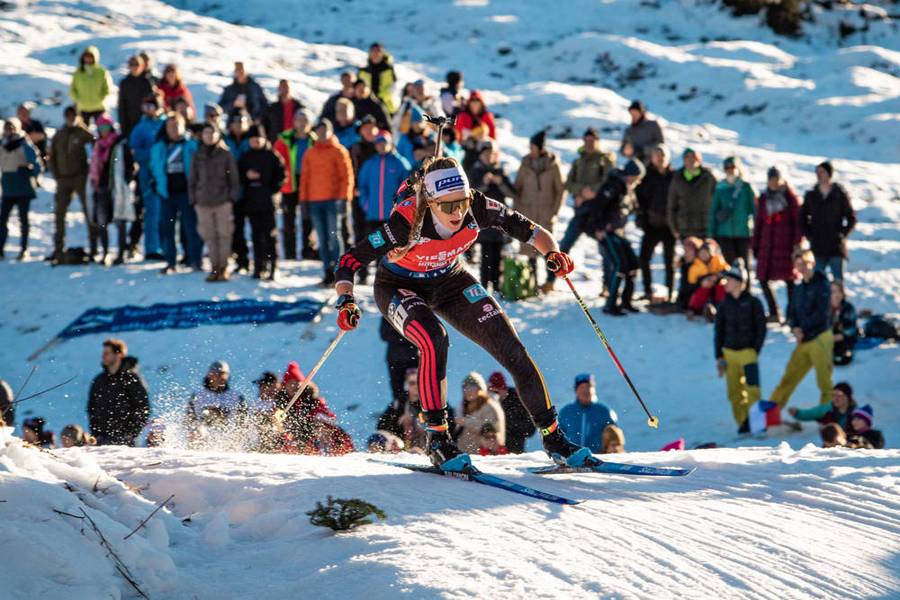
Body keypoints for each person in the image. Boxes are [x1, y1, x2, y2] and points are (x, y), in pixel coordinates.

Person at [333, 155, 596, 471]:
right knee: (434, 339)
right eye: (447, 206)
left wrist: (553, 253)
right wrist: (346, 300)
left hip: (450, 282)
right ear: (430, 202)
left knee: (512, 349)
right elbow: (348, 262)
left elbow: (532, 230)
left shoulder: (479, 206)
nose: (457, 212)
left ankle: (553, 438)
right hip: (398, 286)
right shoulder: (405, 221)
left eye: (462, 202)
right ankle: (439, 440)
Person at [770, 250, 834, 408]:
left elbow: (822, 313)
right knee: (789, 377)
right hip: (804, 339)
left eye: (805, 263)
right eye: (798, 265)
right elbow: (791, 313)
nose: (802, 268)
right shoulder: (798, 289)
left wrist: (801, 329)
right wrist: (795, 328)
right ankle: (771, 413)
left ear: (812, 263)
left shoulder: (823, 285)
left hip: (820, 337)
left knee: (824, 382)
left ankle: (827, 416)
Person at [300, 118, 353, 286]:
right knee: (322, 239)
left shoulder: (338, 151)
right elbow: (305, 178)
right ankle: (327, 271)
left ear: (330, 131)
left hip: (333, 200)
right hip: (315, 200)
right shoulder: (310, 152)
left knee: (334, 236)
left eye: (325, 130)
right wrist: (303, 201)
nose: (322, 133)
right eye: (319, 130)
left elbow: (347, 176)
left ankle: (340, 271)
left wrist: (345, 198)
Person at [714, 263, 767, 433]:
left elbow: (761, 328)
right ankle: (744, 423)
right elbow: (718, 331)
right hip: (729, 354)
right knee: (734, 393)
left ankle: (758, 426)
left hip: (748, 353)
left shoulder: (753, 302)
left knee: (753, 391)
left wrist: (754, 350)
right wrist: (719, 356)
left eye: (728, 280)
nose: (725, 283)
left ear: (738, 281)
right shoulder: (723, 304)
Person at [589, 160, 645, 316]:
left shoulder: (629, 189)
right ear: (629, 175)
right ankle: (610, 304)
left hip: (619, 232)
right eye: (635, 177)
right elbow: (597, 206)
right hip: (607, 233)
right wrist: (599, 228)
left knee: (633, 265)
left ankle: (626, 301)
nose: (636, 181)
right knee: (619, 266)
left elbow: (633, 208)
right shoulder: (613, 185)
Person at [150, 113, 202, 273]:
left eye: (176, 125)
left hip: (187, 193)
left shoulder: (192, 145)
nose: (173, 129)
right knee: (167, 229)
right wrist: (156, 185)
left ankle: (195, 261)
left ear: (183, 126)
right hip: (167, 194)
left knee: (191, 229)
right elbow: (154, 168)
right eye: (170, 126)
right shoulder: (159, 147)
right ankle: (171, 262)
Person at [514, 130, 565, 290]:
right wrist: (517, 211)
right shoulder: (525, 164)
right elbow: (518, 188)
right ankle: (532, 282)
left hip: (546, 213)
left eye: (534, 146)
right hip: (527, 211)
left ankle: (550, 281)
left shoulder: (553, 165)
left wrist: (554, 212)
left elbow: (560, 190)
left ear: (541, 147)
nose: (531, 149)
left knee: (548, 249)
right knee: (529, 247)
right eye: (531, 146)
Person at [357, 131, 411, 281]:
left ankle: (385, 276)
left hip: (391, 215)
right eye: (378, 143)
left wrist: (400, 206)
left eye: (384, 142)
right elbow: (362, 187)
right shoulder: (369, 164)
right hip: (372, 213)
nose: (381, 146)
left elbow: (406, 188)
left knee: (388, 247)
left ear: (390, 143)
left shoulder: (399, 163)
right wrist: (366, 204)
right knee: (370, 244)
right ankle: (363, 275)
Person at [190, 122, 240, 281]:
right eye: (206, 133)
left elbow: (233, 178)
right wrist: (194, 199)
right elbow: (192, 178)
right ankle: (214, 267)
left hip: (222, 200)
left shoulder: (226, 154)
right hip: (203, 201)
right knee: (209, 235)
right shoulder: (197, 155)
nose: (209, 136)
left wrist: (232, 197)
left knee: (224, 235)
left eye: (212, 133)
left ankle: (223, 267)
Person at [753, 167, 801, 322]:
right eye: (771, 179)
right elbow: (758, 223)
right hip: (767, 245)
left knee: (790, 281)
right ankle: (774, 312)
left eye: (776, 179)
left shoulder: (790, 197)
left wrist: (797, 244)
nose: (773, 182)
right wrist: (755, 245)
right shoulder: (764, 198)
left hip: (786, 245)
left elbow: (797, 222)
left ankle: (792, 315)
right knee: (762, 278)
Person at [49, 106, 96, 261]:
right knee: (59, 213)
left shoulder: (84, 133)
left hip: (80, 178)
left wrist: (87, 175)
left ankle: (94, 247)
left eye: (73, 115)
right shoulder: (59, 134)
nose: (70, 118)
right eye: (68, 115)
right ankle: (58, 248)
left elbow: (95, 151)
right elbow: (52, 156)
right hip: (63, 179)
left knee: (89, 212)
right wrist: (57, 176)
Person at [239, 124, 285, 280]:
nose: (255, 142)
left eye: (258, 139)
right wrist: (247, 176)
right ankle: (259, 266)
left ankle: (273, 265)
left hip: (268, 202)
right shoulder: (246, 156)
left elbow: (281, 176)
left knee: (270, 235)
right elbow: (238, 176)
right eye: (252, 140)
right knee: (255, 235)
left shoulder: (272, 156)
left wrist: (271, 190)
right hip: (252, 201)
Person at [88, 115, 136, 265]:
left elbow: (131, 166)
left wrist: (126, 181)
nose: (104, 131)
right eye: (101, 128)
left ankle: (121, 253)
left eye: (106, 128)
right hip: (101, 187)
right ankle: (105, 252)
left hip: (117, 187)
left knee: (120, 221)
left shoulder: (120, 144)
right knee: (102, 221)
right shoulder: (98, 145)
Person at [469, 140, 516, 291]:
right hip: (483, 219)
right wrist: (483, 183)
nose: (489, 157)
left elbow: (512, 193)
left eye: (492, 154)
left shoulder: (500, 171)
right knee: (485, 256)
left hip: (499, 219)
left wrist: (501, 182)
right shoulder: (475, 171)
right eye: (486, 154)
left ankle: (497, 286)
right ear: (481, 155)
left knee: (497, 254)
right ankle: (484, 285)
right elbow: (471, 194)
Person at [801, 160, 856, 282]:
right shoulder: (811, 195)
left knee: (838, 282)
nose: (819, 175)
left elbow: (851, 218)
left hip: (836, 247)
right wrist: (810, 235)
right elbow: (802, 218)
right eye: (817, 172)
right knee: (818, 282)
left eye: (822, 172)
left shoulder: (840, 194)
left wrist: (842, 234)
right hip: (817, 247)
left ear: (829, 174)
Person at [87, 338, 150, 446]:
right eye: (103, 353)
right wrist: (96, 433)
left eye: (107, 353)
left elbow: (142, 407)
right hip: (101, 439)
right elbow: (91, 408)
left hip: (125, 440)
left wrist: (131, 433)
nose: (103, 356)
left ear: (119, 354)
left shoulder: (132, 379)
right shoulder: (99, 380)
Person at [273, 109, 316, 261]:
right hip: (289, 183)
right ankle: (290, 253)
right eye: (299, 120)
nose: (302, 124)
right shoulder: (284, 139)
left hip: (309, 185)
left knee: (307, 220)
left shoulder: (316, 141)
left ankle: (307, 250)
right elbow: (275, 161)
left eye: (305, 120)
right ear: (294, 122)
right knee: (288, 220)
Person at [635, 144, 675, 301]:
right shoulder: (646, 176)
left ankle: (670, 293)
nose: (660, 158)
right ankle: (647, 290)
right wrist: (642, 219)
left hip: (669, 226)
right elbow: (638, 199)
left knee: (669, 262)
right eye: (657, 154)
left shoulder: (674, 176)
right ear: (652, 158)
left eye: (663, 155)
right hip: (651, 225)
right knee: (644, 258)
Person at [0, 118, 42, 260]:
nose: (9, 130)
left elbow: (36, 164)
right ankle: (0, 249)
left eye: (12, 128)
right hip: (7, 187)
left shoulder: (24, 144)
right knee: (2, 220)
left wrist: (32, 175)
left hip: (23, 187)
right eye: (7, 128)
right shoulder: (2, 145)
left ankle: (24, 249)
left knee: (23, 220)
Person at [709, 156, 755, 275]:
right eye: (727, 167)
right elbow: (713, 210)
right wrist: (711, 233)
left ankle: (745, 291)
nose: (730, 170)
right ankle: (732, 291)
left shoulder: (746, 187)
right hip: (724, 233)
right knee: (729, 265)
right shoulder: (720, 188)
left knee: (744, 265)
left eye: (732, 167)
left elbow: (754, 209)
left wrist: (756, 230)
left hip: (743, 232)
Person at [185, 360, 248, 446]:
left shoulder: (236, 397)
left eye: (223, 374)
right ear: (209, 375)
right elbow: (190, 418)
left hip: (228, 442)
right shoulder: (198, 395)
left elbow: (243, 421)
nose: (220, 378)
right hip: (202, 441)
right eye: (217, 374)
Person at [376, 319, 420, 437]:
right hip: (396, 361)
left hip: (413, 359)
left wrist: (401, 335)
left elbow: (420, 333)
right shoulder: (388, 310)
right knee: (399, 395)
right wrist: (405, 335)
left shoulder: (413, 310)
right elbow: (384, 334)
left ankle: (419, 420)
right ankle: (399, 431)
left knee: (418, 391)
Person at [557, 374, 618, 454]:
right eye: (582, 387)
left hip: (599, 458)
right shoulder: (566, 412)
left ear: (594, 389)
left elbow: (615, 437)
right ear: (576, 390)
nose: (585, 390)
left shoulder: (604, 411)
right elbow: (558, 436)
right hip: (572, 458)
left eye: (588, 386)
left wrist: (612, 449)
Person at [224, 109, 252, 271]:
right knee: (236, 228)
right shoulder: (226, 141)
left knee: (257, 228)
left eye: (242, 122)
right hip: (234, 190)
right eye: (235, 123)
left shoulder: (252, 139)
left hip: (252, 191)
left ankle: (261, 260)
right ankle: (241, 259)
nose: (239, 126)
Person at [667, 148, 716, 240]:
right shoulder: (677, 178)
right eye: (687, 157)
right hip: (685, 229)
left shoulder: (708, 178)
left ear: (699, 160)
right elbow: (672, 205)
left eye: (694, 157)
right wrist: (674, 228)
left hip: (706, 228)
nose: (691, 160)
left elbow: (717, 201)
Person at [454, 372, 506, 454]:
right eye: (465, 387)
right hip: (464, 454)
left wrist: (466, 422)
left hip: (483, 457)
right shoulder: (463, 406)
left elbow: (490, 428)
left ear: (480, 389)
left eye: (472, 387)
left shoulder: (489, 407)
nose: (468, 390)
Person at [488, 371, 535, 454]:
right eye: (491, 392)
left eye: (496, 392)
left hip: (513, 455)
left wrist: (505, 422)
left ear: (504, 390)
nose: (494, 396)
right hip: (489, 453)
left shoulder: (518, 401)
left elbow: (530, 429)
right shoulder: (486, 403)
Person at [69, 46, 112, 124]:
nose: (88, 58)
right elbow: (72, 89)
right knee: (84, 132)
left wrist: (101, 99)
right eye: (86, 56)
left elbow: (108, 89)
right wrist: (78, 100)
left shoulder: (102, 72)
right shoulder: (78, 72)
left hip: (99, 107)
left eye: (90, 56)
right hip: (83, 108)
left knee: (102, 130)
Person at [687, 240, 729, 320]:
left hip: (716, 288)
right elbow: (691, 283)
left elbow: (726, 269)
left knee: (722, 285)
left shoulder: (717, 260)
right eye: (701, 253)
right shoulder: (695, 266)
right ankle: (694, 309)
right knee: (703, 288)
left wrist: (718, 276)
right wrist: (703, 281)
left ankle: (721, 306)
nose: (704, 255)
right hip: (703, 289)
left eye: (706, 253)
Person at [787, 382, 856, 431]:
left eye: (838, 395)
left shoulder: (857, 414)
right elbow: (811, 413)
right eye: (833, 395)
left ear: (848, 396)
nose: (835, 398)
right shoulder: (828, 409)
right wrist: (797, 413)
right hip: (831, 448)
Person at [117, 55, 155, 138]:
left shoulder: (147, 82)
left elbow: (153, 102)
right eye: (132, 64)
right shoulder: (124, 83)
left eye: (136, 64)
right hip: (129, 122)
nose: (134, 67)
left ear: (142, 66)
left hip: (145, 121)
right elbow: (121, 106)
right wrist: (123, 126)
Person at [456, 90, 496, 167]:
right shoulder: (463, 116)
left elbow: (493, 137)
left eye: (477, 102)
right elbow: (459, 135)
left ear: (481, 104)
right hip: (467, 150)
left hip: (485, 150)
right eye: (472, 102)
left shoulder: (487, 117)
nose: (475, 105)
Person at [620, 99, 664, 163]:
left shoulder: (653, 125)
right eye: (631, 113)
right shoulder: (629, 130)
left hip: (652, 164)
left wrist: (643, 150)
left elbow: (660, 144)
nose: (633, 115)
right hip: (635, 165)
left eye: (635, 113)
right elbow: (622, 148)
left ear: (641, 113)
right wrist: (624, 150)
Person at [358, 43, 397, 115]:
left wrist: (379, 99)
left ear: (383, 53)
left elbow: (393, 88)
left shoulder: (389, 69)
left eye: (378, 51)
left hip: (386, 106)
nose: (375, 54)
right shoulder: (363, 71)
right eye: (373, 51)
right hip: (366, 107)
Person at [261, 79, 305, 143]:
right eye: (282, 87)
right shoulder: (272, 108)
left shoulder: (299, 107)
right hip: (277, 142)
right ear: (278, 89)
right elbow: (264, 125)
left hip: (295, 142)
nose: (285, 90)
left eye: (287, 87)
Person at [830, 281, 859, 365]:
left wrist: (840, 336)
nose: (836, 294)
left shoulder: (848, 307)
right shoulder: (824, 308)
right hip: (829, 336)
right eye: (833, 291)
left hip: (844, 337)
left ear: (842, 293)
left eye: (839, 291)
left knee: (842, 352)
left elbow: (852, 328)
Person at [675, 236, 703, 310]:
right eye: (685, 250)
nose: (686, 253)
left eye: (689, 250)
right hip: (684, 292)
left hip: (694, 295)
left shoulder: (699, 264)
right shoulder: (684, 261)